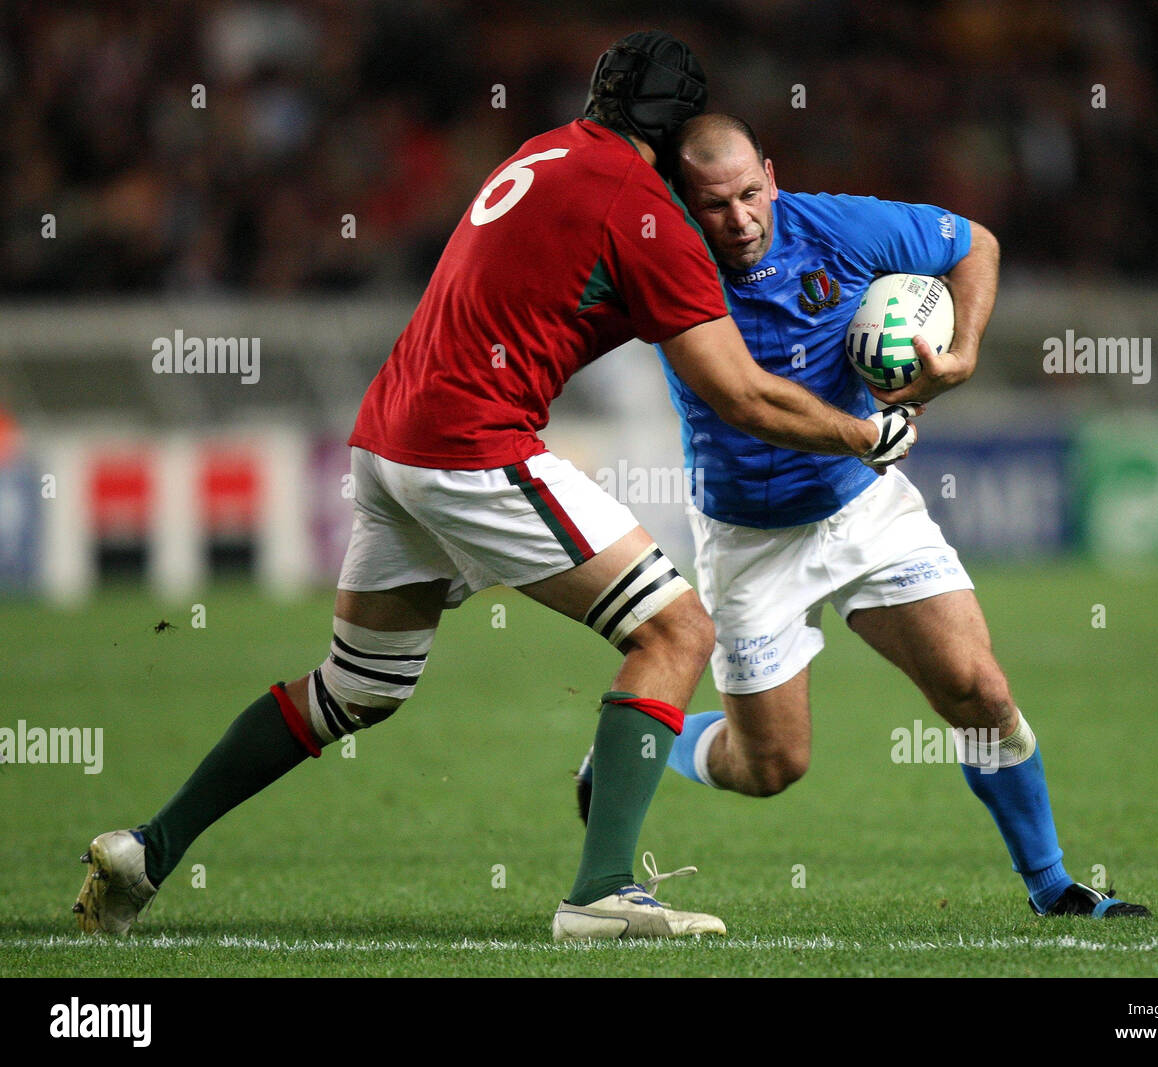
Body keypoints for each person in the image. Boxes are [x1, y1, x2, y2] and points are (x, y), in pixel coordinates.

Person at [74, 36, 922, 943]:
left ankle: (149, 847)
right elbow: (739, 391)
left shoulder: (542, 152)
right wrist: (864, 431)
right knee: (676, 630)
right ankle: (599, 892)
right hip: (471, 444)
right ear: (676, 136)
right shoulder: (644, 211)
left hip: (388, 434)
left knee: (355, 686)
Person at [576, 113, 1149, 919]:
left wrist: (964, 353)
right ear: (679, 202)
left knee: (977, 687)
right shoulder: (669, 270)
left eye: (749, 195)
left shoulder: (837, 227)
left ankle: (1053, 885)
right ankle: (645, 745)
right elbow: (745, 403)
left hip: (864, 504)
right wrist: (862, 433)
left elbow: (973, 244)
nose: (739, 220)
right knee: (771, 765)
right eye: (713, 205)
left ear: (771, 176)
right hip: (749, 536)